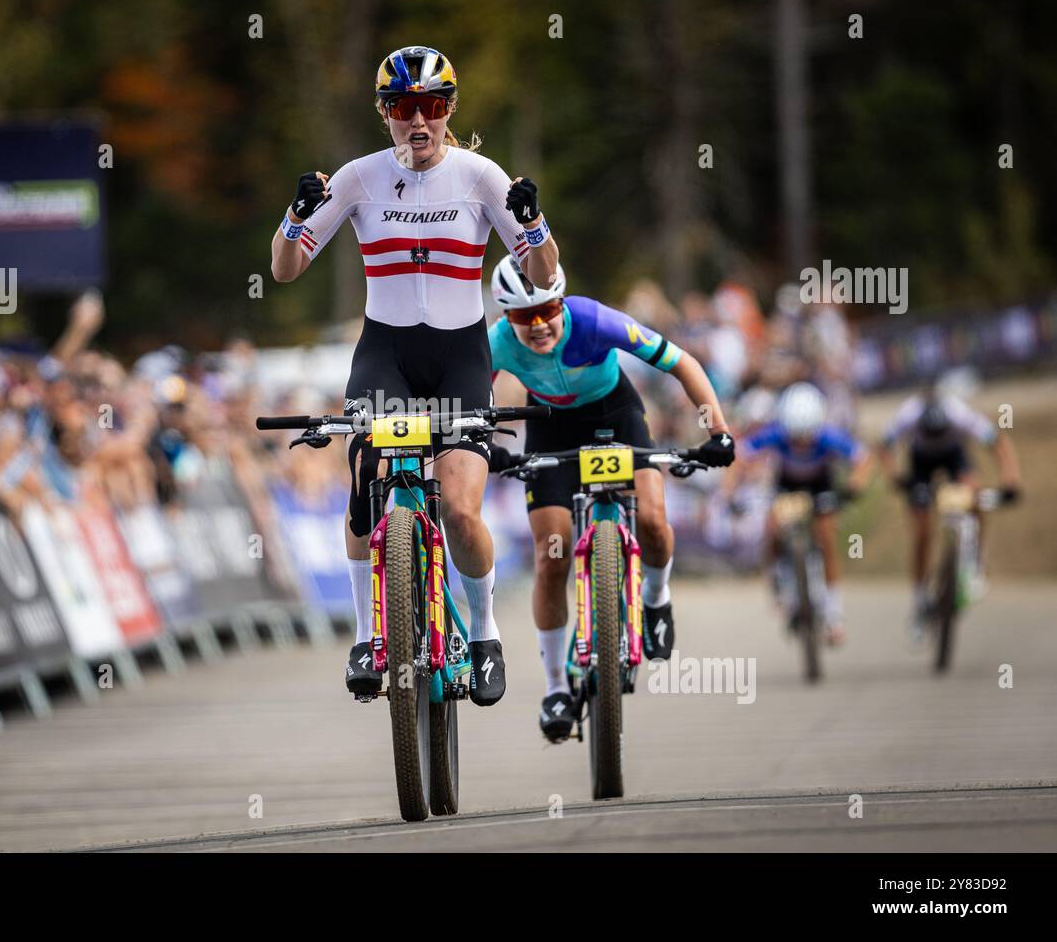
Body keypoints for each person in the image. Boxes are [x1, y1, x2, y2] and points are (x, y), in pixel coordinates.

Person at [271, 45, 559, 705]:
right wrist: (293, 217)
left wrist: (534, 226)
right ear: (385, 114)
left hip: (459, 356)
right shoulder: (358, 178)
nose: (418, 121)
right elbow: (286, 269)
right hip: (387, 354)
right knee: (363, 483)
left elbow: (544, 279)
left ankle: (484, 635)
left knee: (459, 508)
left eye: (431, 106)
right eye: (403, 108)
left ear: (450, 108)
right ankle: (368, 634)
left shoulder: (481, 174)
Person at [485, 256, 735, 740]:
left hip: (615, 415)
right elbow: (471, 399)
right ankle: (556, 685)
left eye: (547, 310)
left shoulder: (596, 320)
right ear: (505, 317)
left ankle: (656, 598)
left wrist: (718, 431)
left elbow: (682, 363)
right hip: (550, 430)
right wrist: (484, 445)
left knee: (655, 522)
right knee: (550, 553)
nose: (538, 326)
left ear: (563, 301)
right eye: (522, 316)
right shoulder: (494, 343)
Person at [724, 382, 873, 645]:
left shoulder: (828, 436)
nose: (802, 444)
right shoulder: (777, 434)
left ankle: (834, 612)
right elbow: (739, 457)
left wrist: (853, 487)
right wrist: (731, 493)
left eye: (807, 438)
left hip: (821, 487)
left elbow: (862, 459)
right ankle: (779, 584)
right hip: (786, 486)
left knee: (827, 537)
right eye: (795, 438)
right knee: (771, 528)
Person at [878, 379, 1021, 635]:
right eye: (930, 434)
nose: (935, 438)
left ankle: (974, 563)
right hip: (920, 462)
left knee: (974, 496)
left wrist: (1011, 480)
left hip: (954, 457)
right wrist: (896, 479)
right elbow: (884, 446)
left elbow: (998, 443)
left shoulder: (959, 414)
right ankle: (920, 601)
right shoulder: (907, 415)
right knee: (921, 530)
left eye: (939, 434)